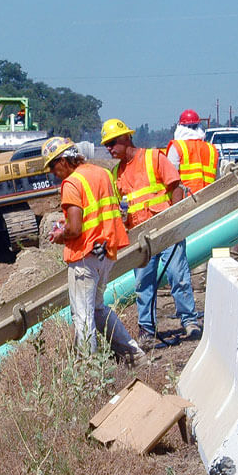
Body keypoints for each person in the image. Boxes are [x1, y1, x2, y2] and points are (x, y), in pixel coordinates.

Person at [41, 136, 143, 361]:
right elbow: (103, 212)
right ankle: (132, 354)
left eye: (53, 166)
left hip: (84, 256)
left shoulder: (71, 183)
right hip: (105, 252)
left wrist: (61, 235)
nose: (53, 173)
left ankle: (88, 367)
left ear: (64, 160)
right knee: (97, 309)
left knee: (83, 314)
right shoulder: (102, 173)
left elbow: (75, 228)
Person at [99, 118, 199, 345]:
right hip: (139, 235)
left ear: (126, 138)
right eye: (106, 145)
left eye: (112, 143)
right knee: (143, 282)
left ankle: (189, 321)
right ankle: (147, 329)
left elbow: (174, 187)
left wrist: (175, 220)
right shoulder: (116, 173)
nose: (109, 149)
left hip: (165, 228)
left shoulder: (153, 158)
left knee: (177, 274)